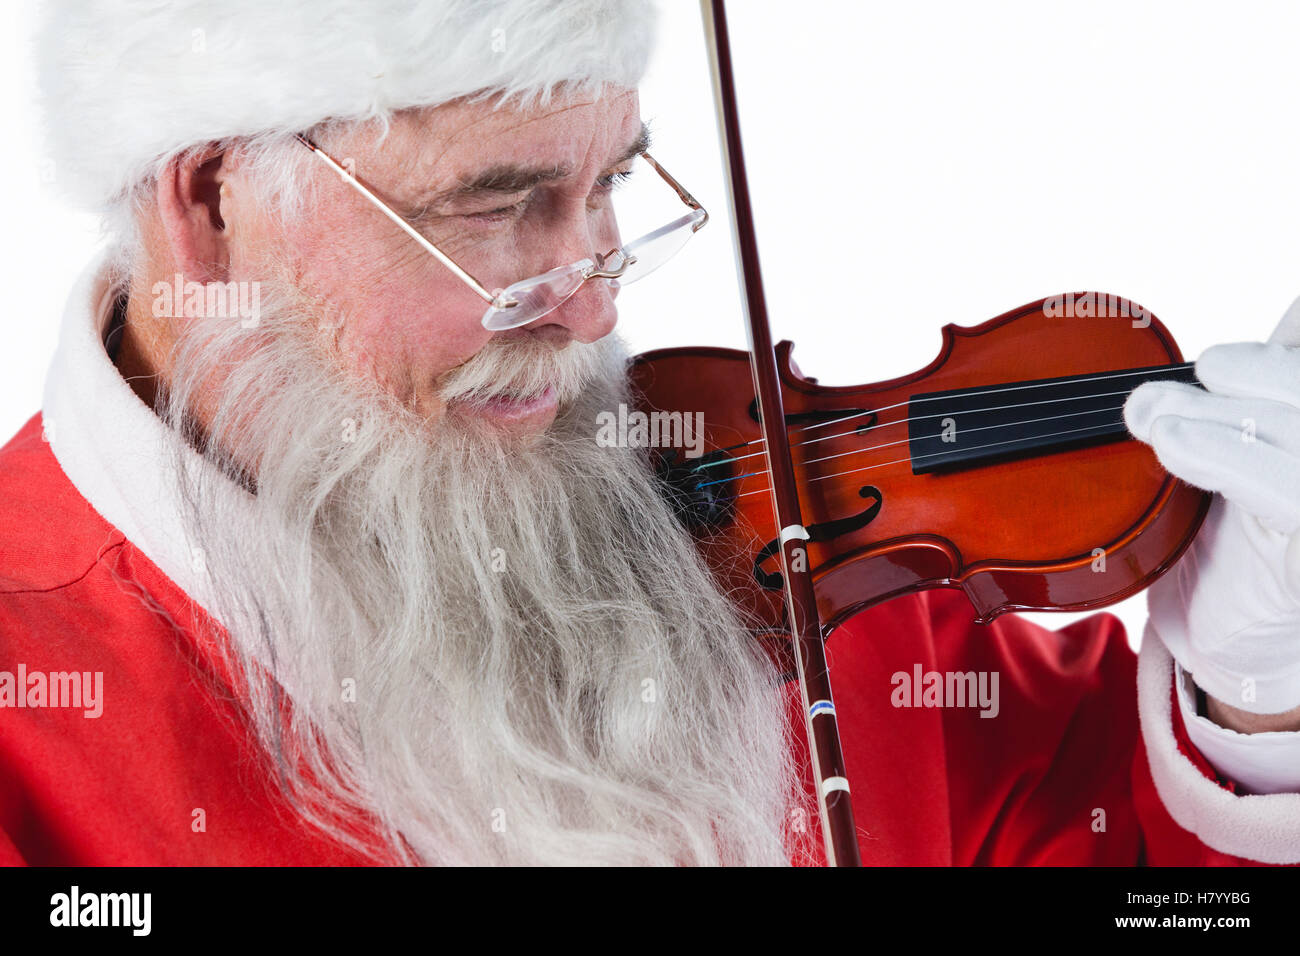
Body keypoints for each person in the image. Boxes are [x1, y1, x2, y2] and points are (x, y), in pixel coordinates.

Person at [1, 0, 1297, 866]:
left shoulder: (771, 555)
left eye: (610, 187)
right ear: (213, 201)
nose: (596, 302)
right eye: (496, 207)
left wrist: (1254, 696)